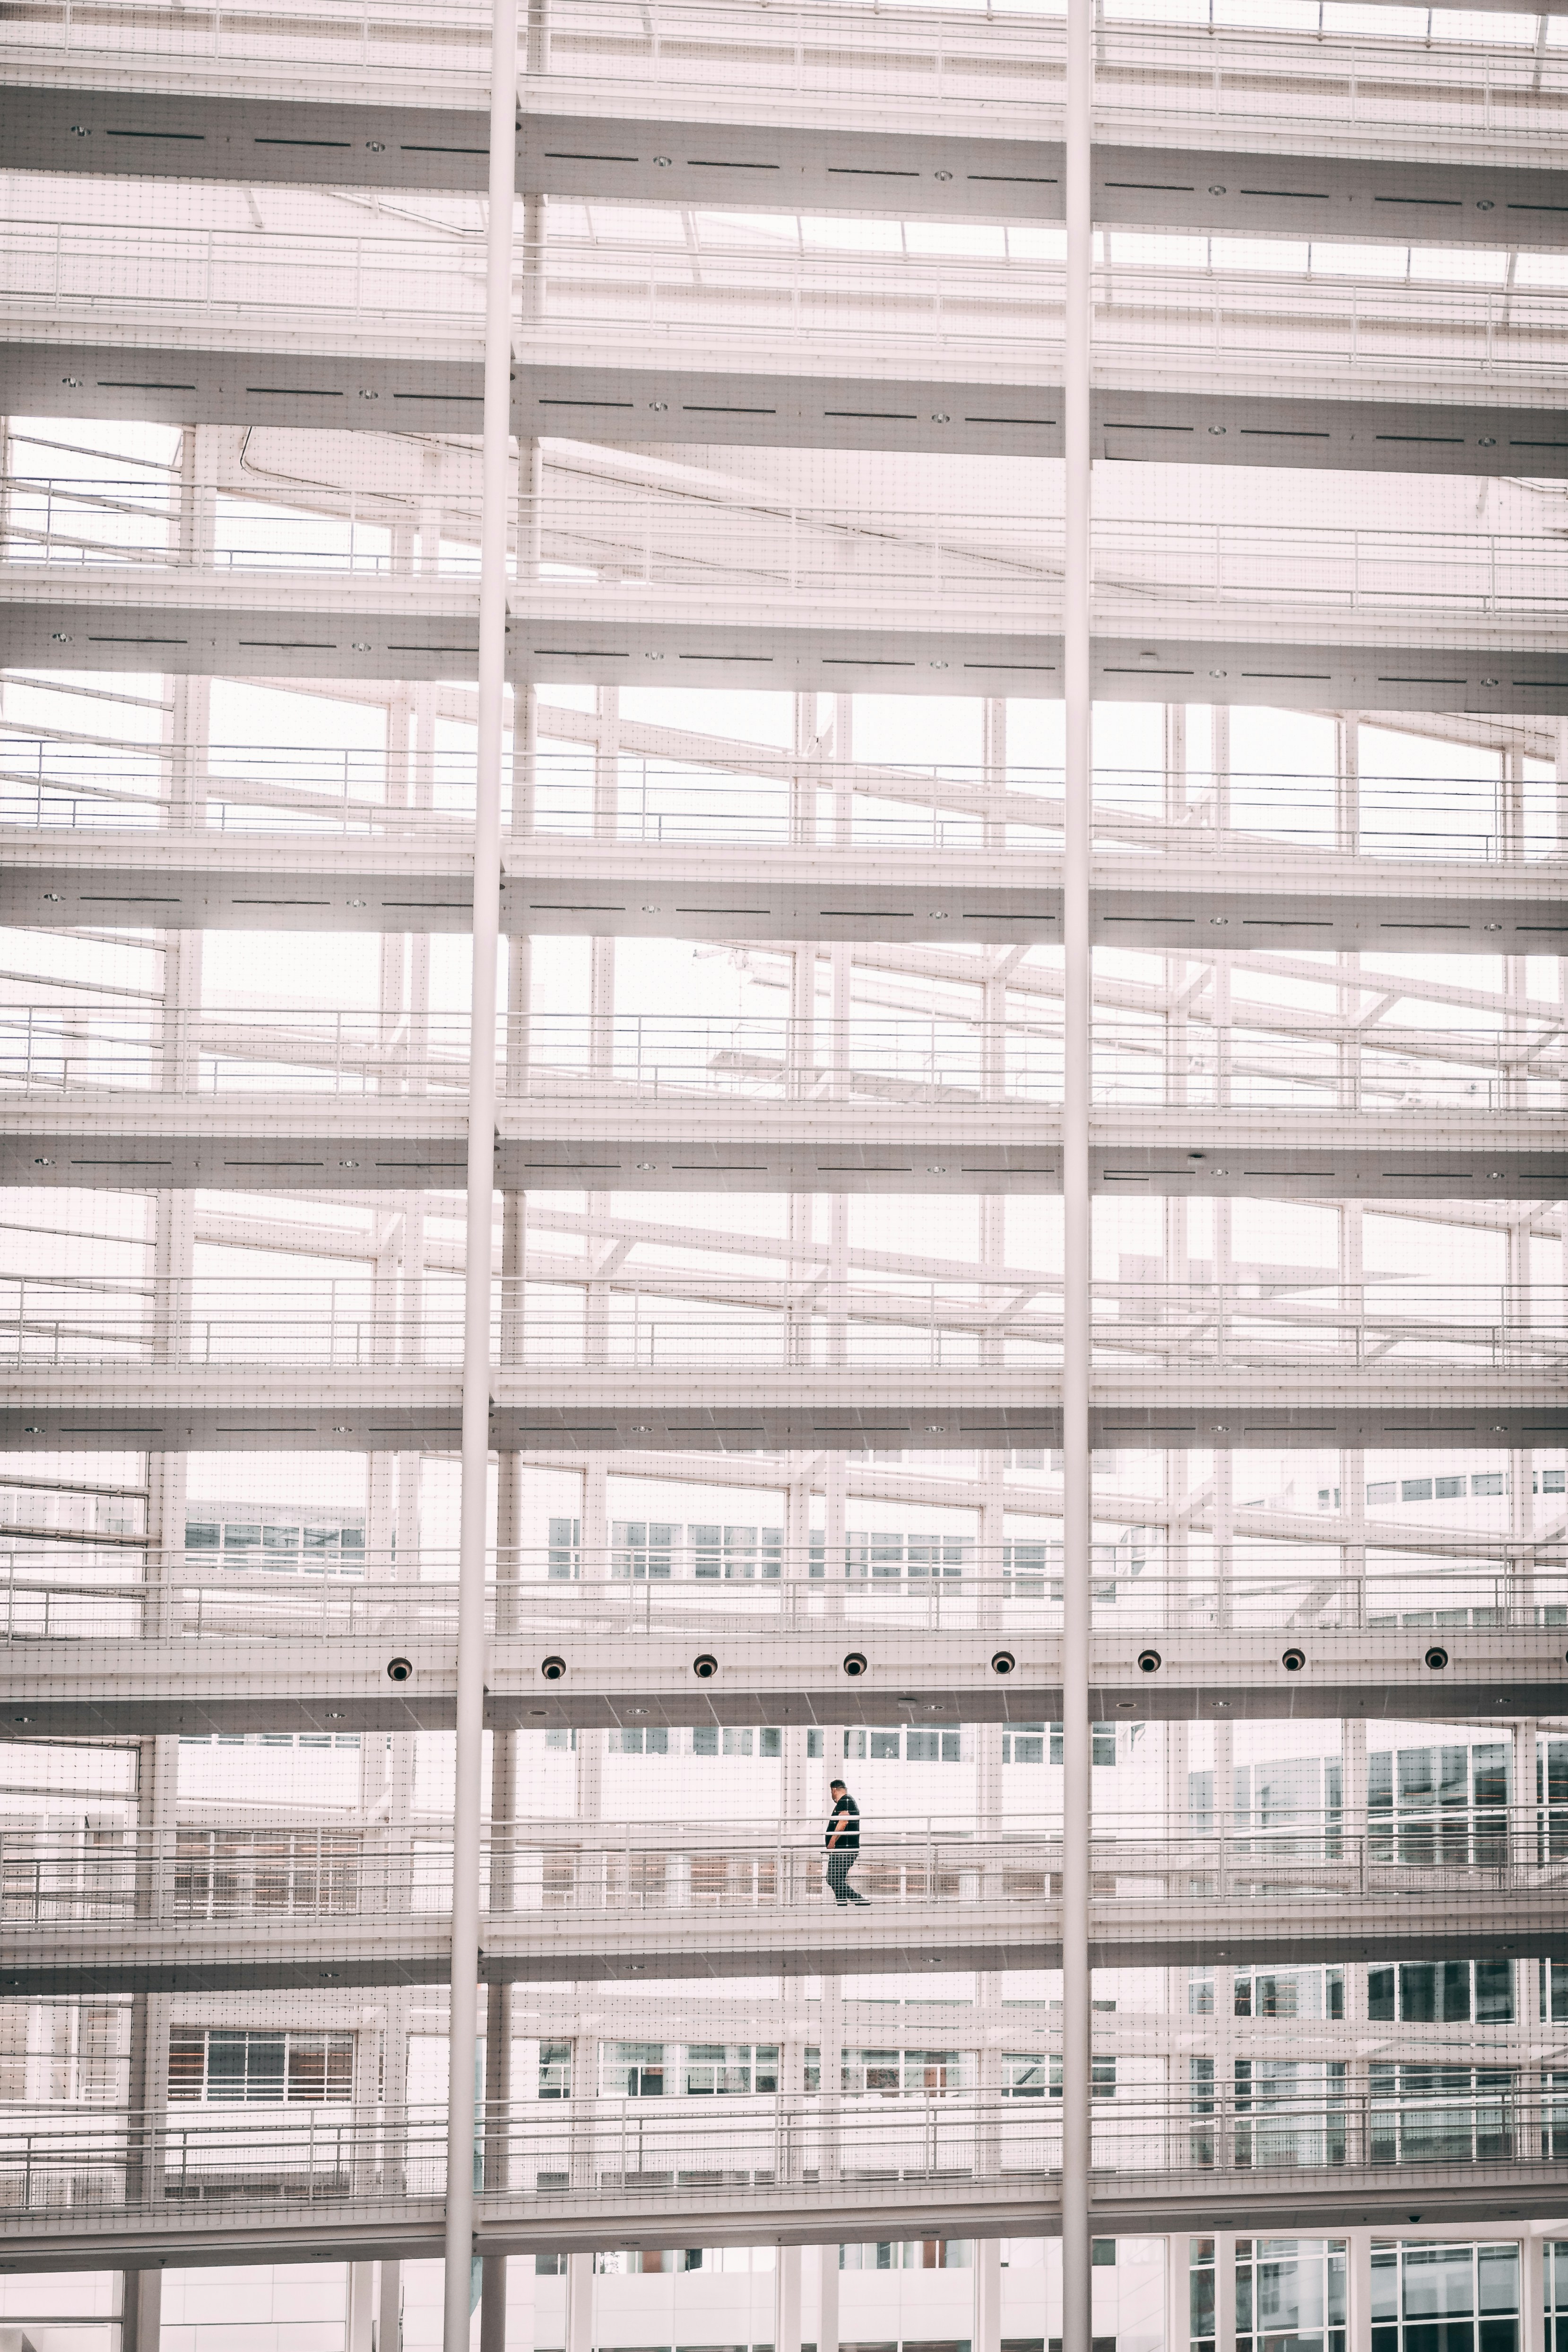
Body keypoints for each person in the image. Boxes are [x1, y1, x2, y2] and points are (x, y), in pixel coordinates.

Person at [824, 1778, 867, 1905]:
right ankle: (842, 1905)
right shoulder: (849, 1801)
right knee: (838, 1880)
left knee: (832, 1879)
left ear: (834, 1790)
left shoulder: (845, 1801)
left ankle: (860, 1900)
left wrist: (832, 1842)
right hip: (846, 1849)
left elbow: (844, 1821)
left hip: (843, 1849)